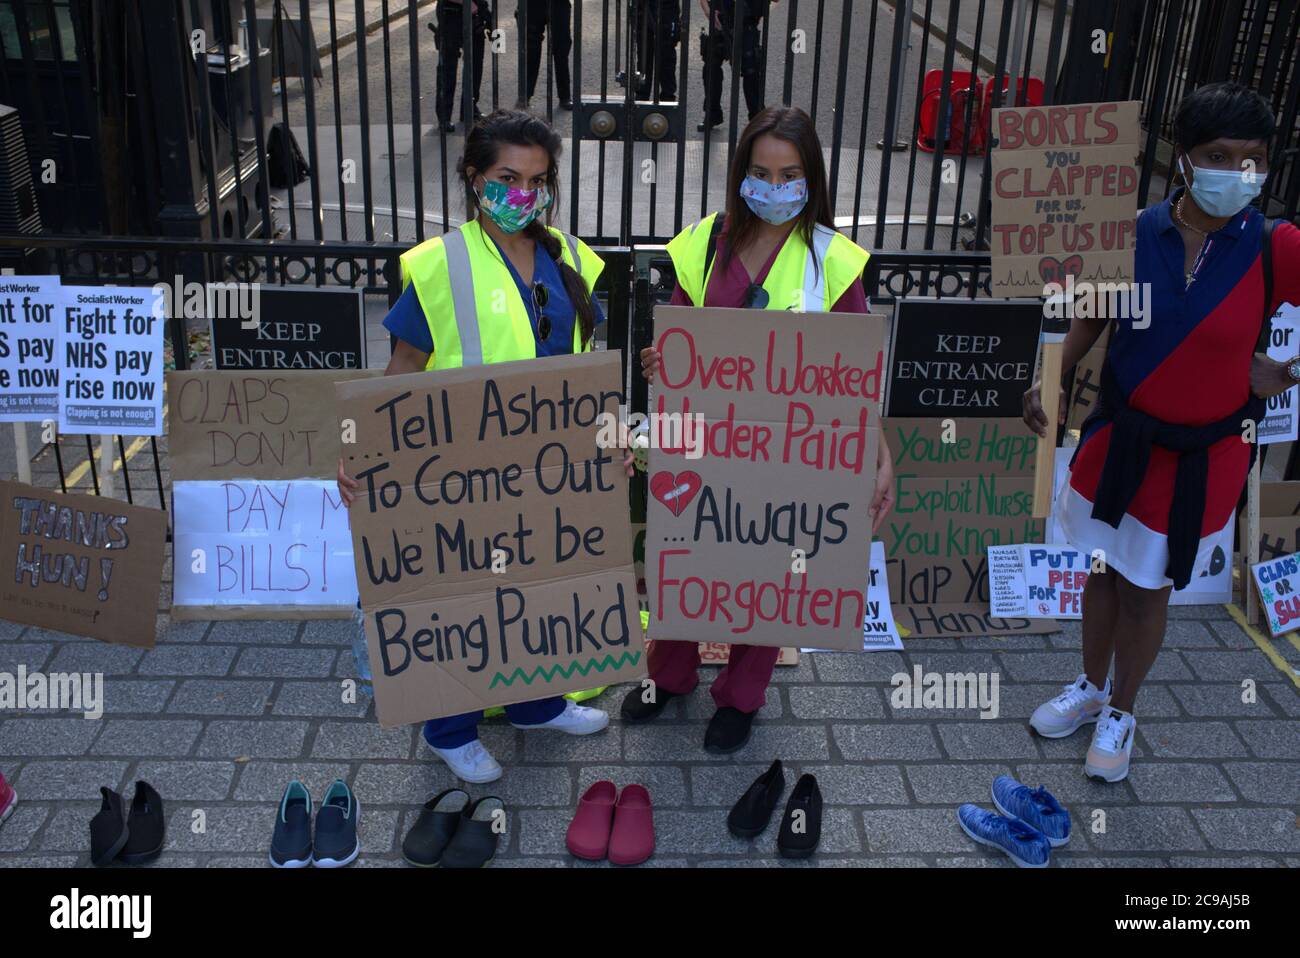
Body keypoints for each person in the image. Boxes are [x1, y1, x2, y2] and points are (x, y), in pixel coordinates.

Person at [1022, 82, 1300, 783]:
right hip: (1120, 440)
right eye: (1218, 155)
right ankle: (1088, 688)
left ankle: (1123, 708)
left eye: (1253, 160)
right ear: (1183, 158)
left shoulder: (1279, 246)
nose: (1237, 174)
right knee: (1100, 571)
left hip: (1202, 457)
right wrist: (1050, 379)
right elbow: (1087, 318)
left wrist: (1289, 370)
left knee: (1148, 589)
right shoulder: (1131, 230)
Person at [337, 111, 609, 784]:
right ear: (472, 178)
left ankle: (536, 704)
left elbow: (580, 360)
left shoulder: (571, 259)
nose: (523, 195)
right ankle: (448, 730)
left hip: (547, 469)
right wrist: (361, 449)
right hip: (458, 472)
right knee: (458, 595)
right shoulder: (437, 266)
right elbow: (401, 368)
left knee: (535, 587)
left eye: (538, 181)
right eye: (506, 179)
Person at [621, 105, 895, 752]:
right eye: (761, 172)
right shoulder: (702, 246)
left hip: (791, 460)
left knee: (773, 576)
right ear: (741, 174)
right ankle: (670, 674)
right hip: (705, 446)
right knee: (691, 558)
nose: (774, 188)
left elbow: (855, 372)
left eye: (790, 174)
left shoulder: (834, 262)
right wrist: (658, 363)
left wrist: (880, 455)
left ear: (812, 180)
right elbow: (679, 334)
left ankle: (741, 697)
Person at [698, 0, 771, 131]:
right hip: (721, 17)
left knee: (751, 70)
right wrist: (707, 9)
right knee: (711, 66)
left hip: (747, 20)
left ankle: (757, 118)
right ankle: (712, 113)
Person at [430, 0, 492, 132]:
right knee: (448, 66)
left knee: (475, 64)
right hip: (451, 11)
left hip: (475, 11)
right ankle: (444, 116)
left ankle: (469, 108)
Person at [517, 0, 573, 110]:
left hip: (559, 4)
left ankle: (564, 96)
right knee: (531, 50)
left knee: (561, 48)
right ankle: (525, 95)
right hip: (531, 4)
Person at [634, 0, 681, 103]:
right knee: (644, 56)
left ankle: (667, 101)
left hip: (667, 9)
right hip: (643, 8)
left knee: (666, 56)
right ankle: (641, 99)